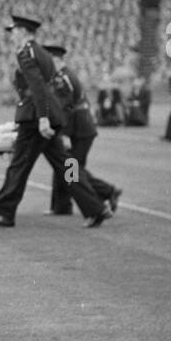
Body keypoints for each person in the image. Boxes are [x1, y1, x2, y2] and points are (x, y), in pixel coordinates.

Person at [0, 15, 114, 228]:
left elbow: (38, 87)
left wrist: (42, 118)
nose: (12, 35)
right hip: (49, 117)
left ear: (24, 32)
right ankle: (96, 208)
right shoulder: (43, 53)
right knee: (66, 166)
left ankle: (4, 211)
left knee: (19, 166)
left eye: (14, 31)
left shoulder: (26, 52)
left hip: (37, 118)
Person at [46, 42, 121, 217]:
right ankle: (62, 206)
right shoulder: (63, 76)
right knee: (68, 168)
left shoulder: (62, 78)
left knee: (72, 170)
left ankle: (107, 192)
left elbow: (64, 107)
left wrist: (62, 134)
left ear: (54, 60)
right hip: (79, 128)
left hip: (80, 129)